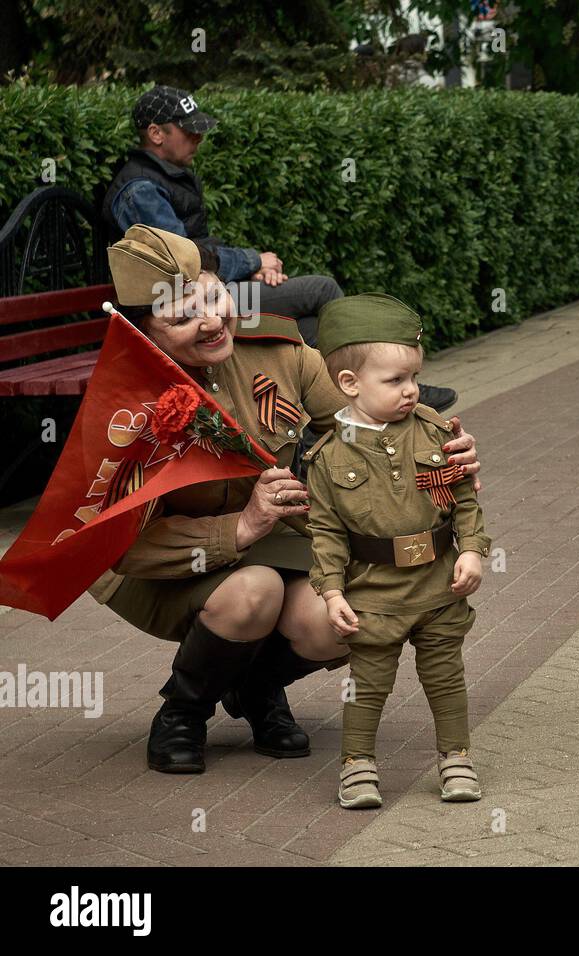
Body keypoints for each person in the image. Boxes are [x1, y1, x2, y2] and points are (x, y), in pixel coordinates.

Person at [92, 225, 480, 774]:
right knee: (256, 591)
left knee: (353, 613)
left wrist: (441, 451)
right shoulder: (125, 405)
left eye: (211, 297)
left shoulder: (275, 347)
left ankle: (255, 688)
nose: (209, 321)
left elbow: (360, 421)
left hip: (275, 541)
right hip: (164, 566)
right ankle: (184, 711)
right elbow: (119, 545)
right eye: (180, 317)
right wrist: (242, 529)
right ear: (144, 334)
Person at [100, 85, 459, 412]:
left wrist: (248, 268)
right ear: (156, 133)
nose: (198, 136)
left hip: (204, 293)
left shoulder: (165, 176)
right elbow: (181, 265)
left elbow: (197, 254)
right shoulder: (141, 189)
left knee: (309, 323)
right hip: (186, 305)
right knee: (321, 289)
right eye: (187, 128)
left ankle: (381, 387)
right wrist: (253, 260)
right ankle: (378, 387)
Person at [303, 294, 490, 809]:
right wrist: (332, 590)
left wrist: (471, 551)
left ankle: (456, 757)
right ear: (349, 384)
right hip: (375, 592)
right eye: (395, 381)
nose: (411, 391)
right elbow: (326, 532)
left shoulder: (434, 431)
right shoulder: (327, 456)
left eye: (414, 377)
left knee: (445, 674)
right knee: (368, 684)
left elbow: (465, 498)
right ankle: (357, 764)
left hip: (439, 583)